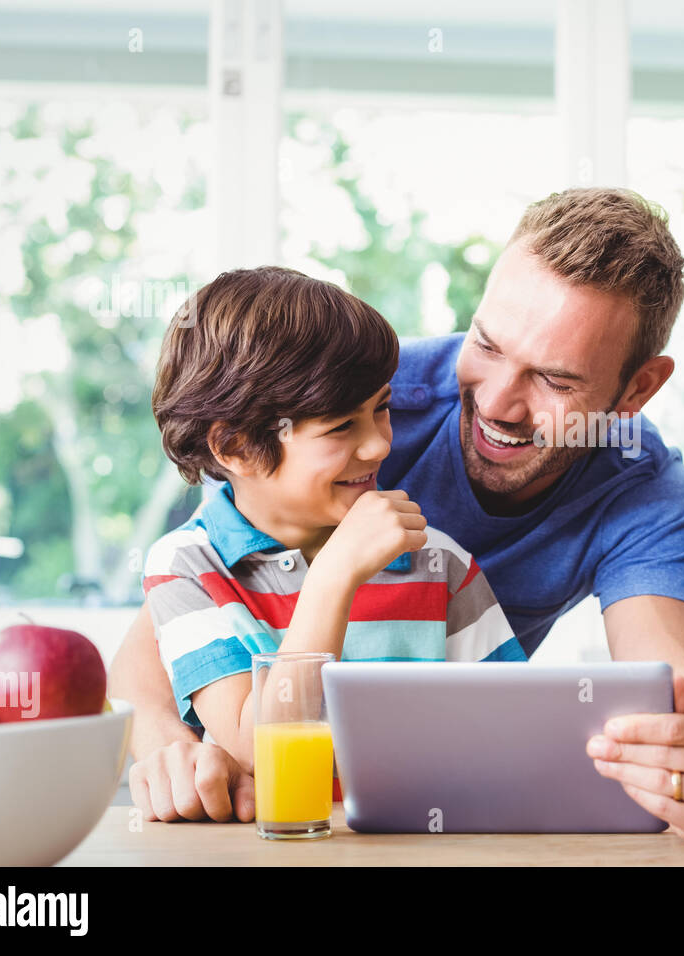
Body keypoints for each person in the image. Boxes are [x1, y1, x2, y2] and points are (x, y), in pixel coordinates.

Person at [111, 188, 684, 843]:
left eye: (555, 381)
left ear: (637, 389)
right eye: (488, 344)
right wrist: (167, 744)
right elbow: (170, 618)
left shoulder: (636, 495)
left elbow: (670, 694)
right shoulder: (355, 385)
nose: (500, 402)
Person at [143, 266, 524, 772]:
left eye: (381, 409)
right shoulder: (187, 567)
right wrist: (332, 577)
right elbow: (263, 752)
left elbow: (516, 737)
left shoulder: (437, 561)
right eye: (342, 426)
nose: (379, 444)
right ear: (235, 446)